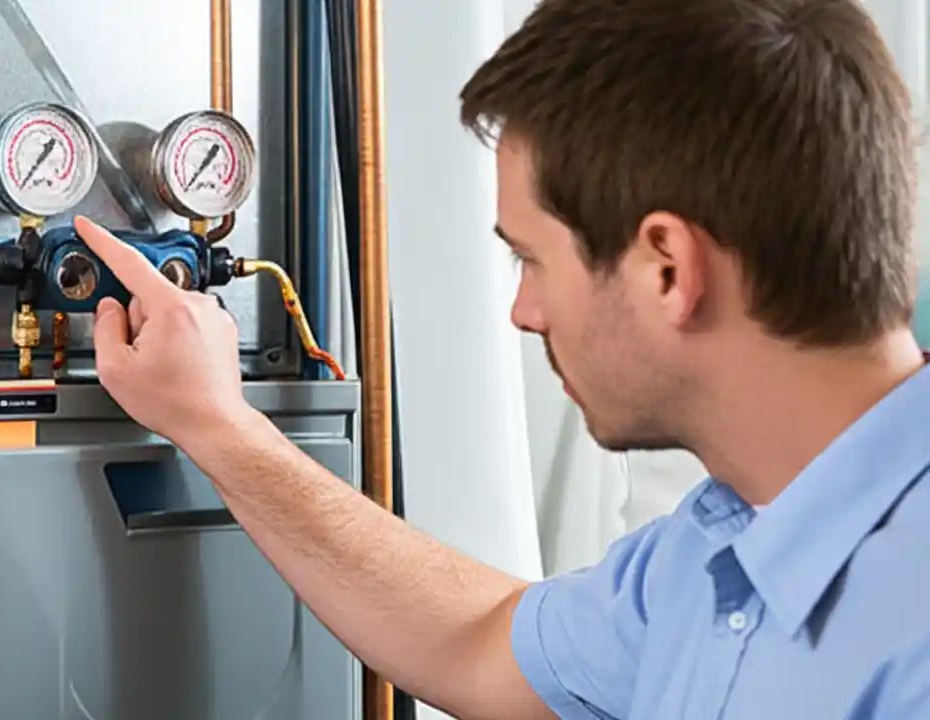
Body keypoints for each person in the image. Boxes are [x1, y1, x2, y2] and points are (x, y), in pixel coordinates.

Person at [79, 0, 930, 717]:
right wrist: (217, 425)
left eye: (531, 260)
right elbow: (477, 638)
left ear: (668, 269)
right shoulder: (713, 552)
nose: (523, 312)